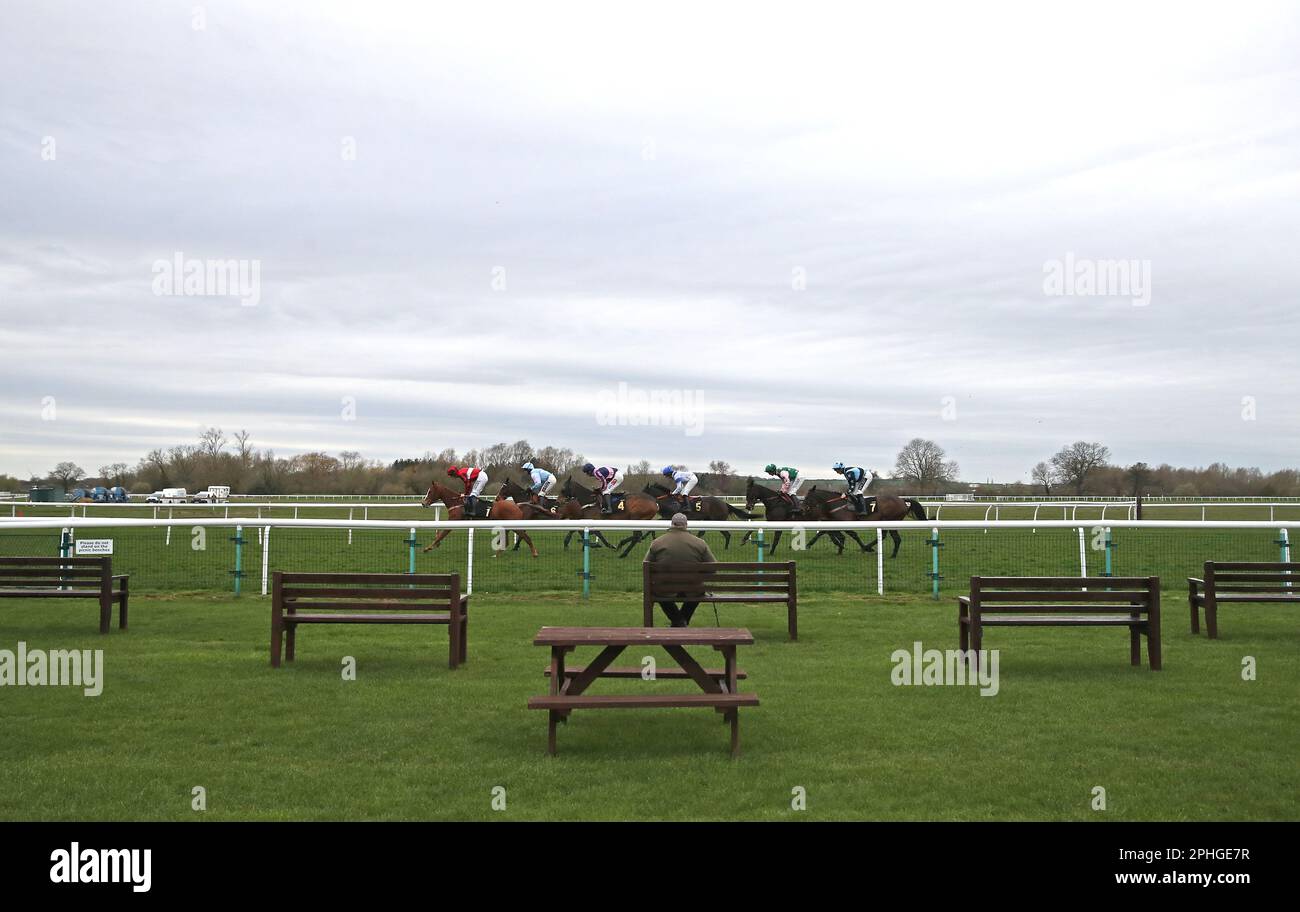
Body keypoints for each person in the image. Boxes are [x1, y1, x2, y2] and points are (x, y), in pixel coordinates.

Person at [644, 512, 717, 627]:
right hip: (692, 589)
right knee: (698, 591)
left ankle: (678, 621)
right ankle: (681, 621)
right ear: (686, 525)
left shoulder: (657, 543)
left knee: (658, 592)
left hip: (665, 589)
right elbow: (713, 567)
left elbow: (647, 567)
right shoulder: (700, 543)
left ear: (672, 524)